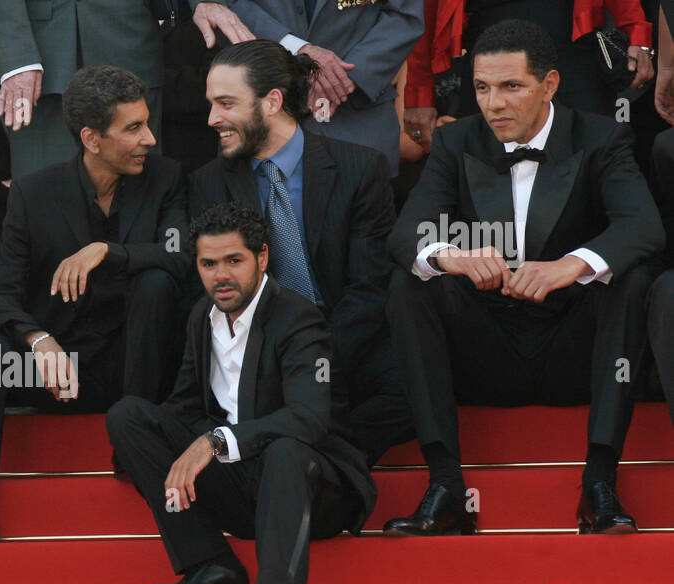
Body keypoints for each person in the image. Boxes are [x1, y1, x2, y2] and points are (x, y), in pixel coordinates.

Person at [385, 19, 663, 536]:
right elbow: (406, 235)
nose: (494, 104)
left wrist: (571, 265)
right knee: (411, 283)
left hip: (572, 350)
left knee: (630, 277)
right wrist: (454, 256)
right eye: (483, 88)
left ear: (550, 85)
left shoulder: (601, 135)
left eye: (511, 87)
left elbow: (643, 226)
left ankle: (600, 482)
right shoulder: (456, 142)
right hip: (488, 350)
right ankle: (445, 484)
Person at [106, 203, 375, 584]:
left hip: (312, 489)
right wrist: (148, 450)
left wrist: (213, 442)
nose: (221, 276)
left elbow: (309, 420)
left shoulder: (298, 319)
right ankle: (213, 565)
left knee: (287, 451)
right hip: (242, 484)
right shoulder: (200, 319)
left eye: (234, 260)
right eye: (208, 264)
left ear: (263, 257)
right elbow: (185, 405)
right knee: (128, 415)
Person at [0, 66, 190, 544]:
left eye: (146, 123)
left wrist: (109, 252)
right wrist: (38, 340)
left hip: (132, 372)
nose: (149, 138)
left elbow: (182, 258)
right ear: (91, 138)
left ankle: (133, 444)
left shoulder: (166, 178)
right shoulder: (35, 193)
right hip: (56, 370)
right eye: (133, 128)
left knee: (155, 281)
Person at [190, 39, 413, 465]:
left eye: (225, 104)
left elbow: (370, 286)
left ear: (271, 102)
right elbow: (215, 290)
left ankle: (315, 450)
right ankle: (307, 447)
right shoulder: (209, 183)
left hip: (345, 338)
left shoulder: (359, 168)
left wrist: (318, 354)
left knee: (411, 388)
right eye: (211, 104)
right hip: (262, 350)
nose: (212, 119)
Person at [190, 0, 426, 176]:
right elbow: (219, 5)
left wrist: (343, 78)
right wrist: (293, 47)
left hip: (354, 117)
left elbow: (405, 16)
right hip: (260, 114)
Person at [403, 0, 654, 149]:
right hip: (488, 54)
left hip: (572, 48)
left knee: (592, 163)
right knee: (486, 179)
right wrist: (418, 94)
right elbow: (425, 10)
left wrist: (636, 30)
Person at [0, 0, 173, 180]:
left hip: (129, 40)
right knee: (46, 198)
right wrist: (16, 57)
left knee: (140, 198)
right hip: (41, 56)